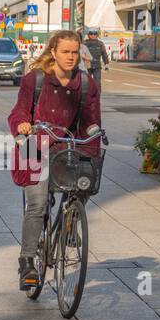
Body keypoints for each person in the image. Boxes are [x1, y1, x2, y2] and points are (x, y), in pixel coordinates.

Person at [7, 30, 101, 290]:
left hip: (64, 148)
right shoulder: (34, 80)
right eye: (65, 52)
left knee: (86, 182)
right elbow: (18, 112)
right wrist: (22, 125)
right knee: (36, 204)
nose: (71, 57)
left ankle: (69, 225)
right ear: (53, 52)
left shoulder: (86, 83)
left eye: (74, 52)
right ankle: (26, 262)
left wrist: (93, 140)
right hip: (33, 146)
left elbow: (91, 120)